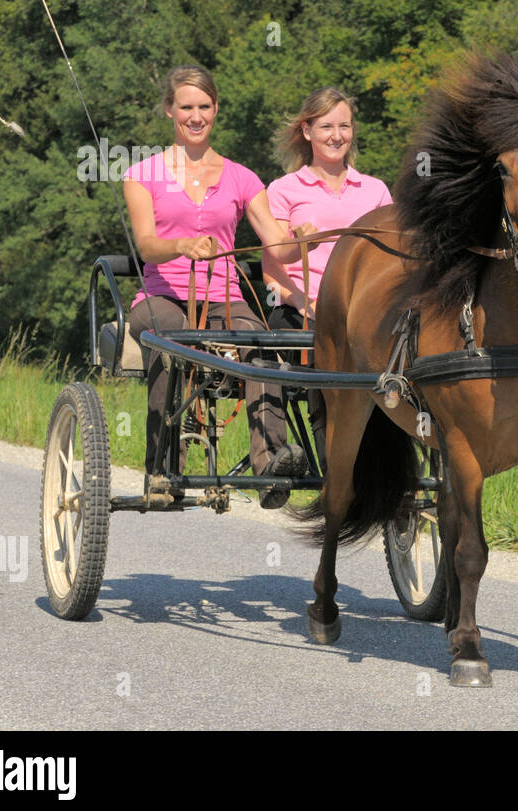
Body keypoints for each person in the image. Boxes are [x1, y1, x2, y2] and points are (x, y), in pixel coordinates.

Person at [124, 64, 306, 508]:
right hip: (161, 295)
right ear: (170, 110)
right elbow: (147, 246)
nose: (196, 115)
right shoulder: (141, 176)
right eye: (186, 106)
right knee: (172, 343)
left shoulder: (242, 179)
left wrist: (299, 238)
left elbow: (277, 247)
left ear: (216, 109)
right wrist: (183, 243)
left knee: (262, 349)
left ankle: (270, 468)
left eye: (204, 106)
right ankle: (163, 468)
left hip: (224, 296)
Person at [263, 88, 393, 469]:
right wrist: (305, 303)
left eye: (344, 126)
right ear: (307, 131)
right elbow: (273, 271)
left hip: (368, 313)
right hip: (304, 310)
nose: (336, 136)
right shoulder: (284, 190)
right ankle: (310, 459)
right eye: (326, 127)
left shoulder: (376, 190)